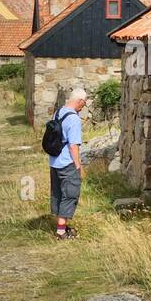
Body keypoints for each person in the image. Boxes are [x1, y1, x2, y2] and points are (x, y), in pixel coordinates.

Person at [48, 88, 86, 239]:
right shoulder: (74, 119)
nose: (84, 106)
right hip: (67, 163)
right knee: (70, 194)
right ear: (79, 101)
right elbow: (73, 146)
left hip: (54, 161)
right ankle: (61, 232)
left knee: (57, 193)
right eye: (84, 103)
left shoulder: (58, 112)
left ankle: (61, 225)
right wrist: (78, 165)